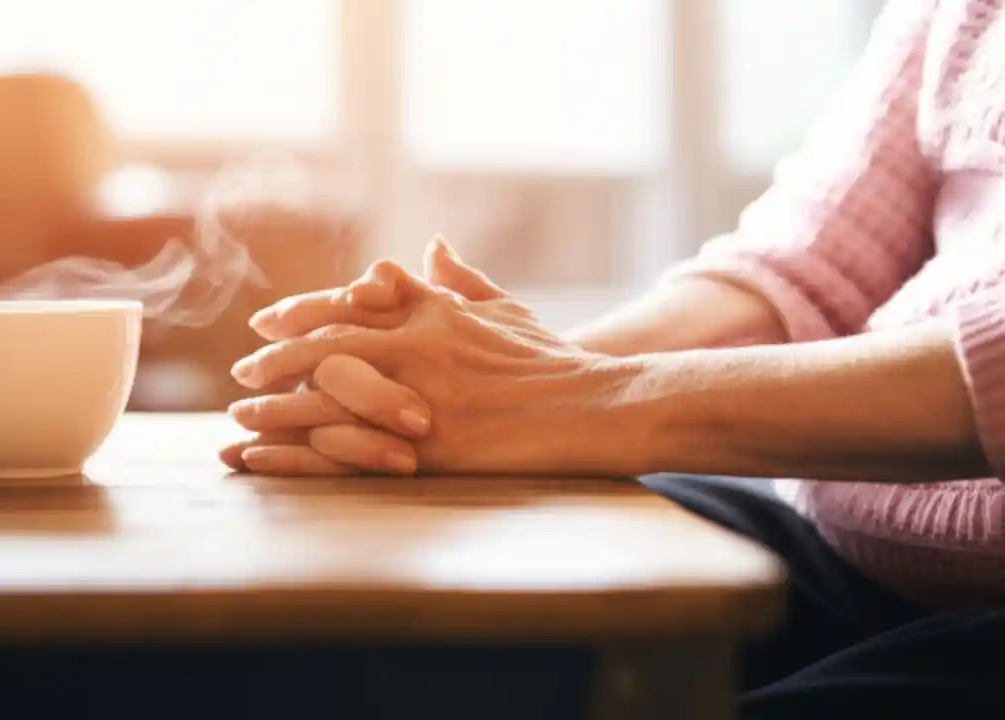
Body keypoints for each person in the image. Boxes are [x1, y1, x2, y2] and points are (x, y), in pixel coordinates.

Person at [221, 1, 1004, 716]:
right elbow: (805, 267)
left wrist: (570, 398)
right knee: (398, 640)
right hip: (852, 564)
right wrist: (480, 384)